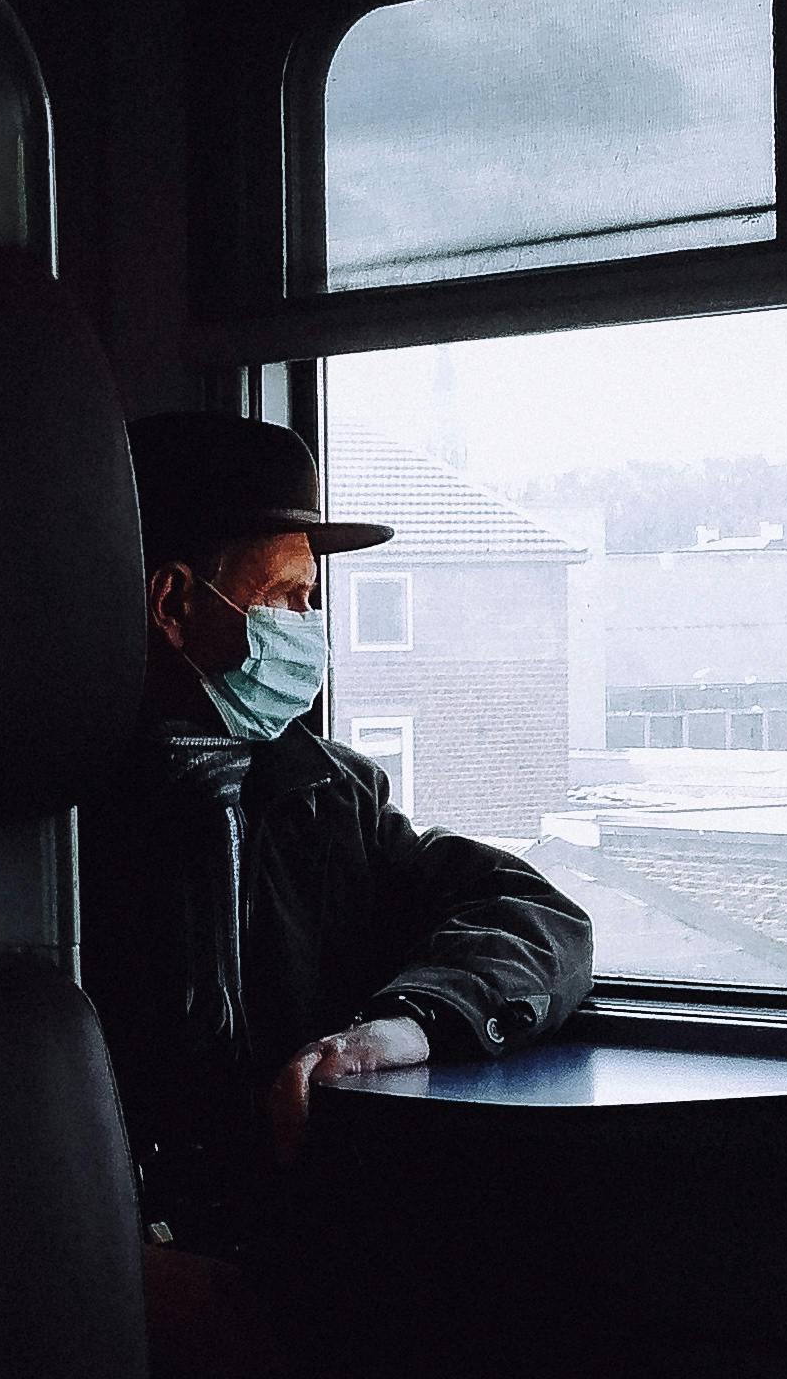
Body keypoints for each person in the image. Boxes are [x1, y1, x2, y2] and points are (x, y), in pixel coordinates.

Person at [83, 408, 592, 1258]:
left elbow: (538, 918)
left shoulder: (334, 797)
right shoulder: (56, 824)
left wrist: (396, 1027)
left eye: (312, 601)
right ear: (173, 604)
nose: (308, 630)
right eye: (284, 598)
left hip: (289, 1239)